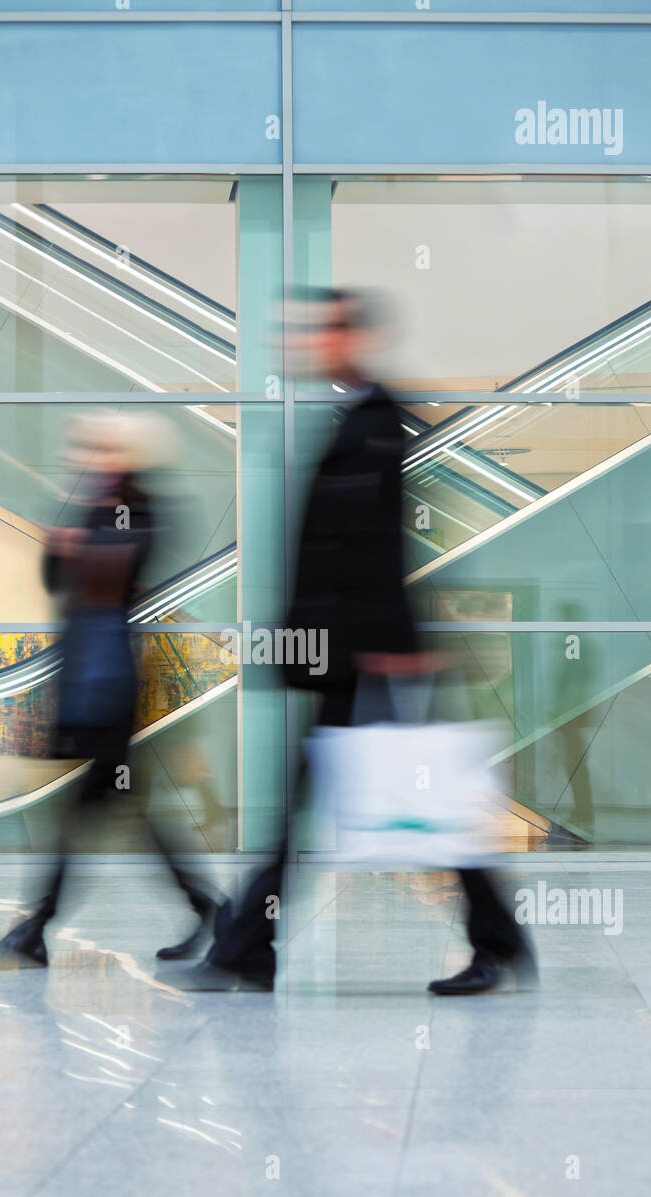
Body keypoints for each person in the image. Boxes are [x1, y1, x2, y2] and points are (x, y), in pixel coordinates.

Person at [158, 288, 536, 995]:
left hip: (368, 654)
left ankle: (250, 946)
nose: (310, 345)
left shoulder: (376, 422)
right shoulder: (357, 421)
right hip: (348, 653)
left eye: (322, 333)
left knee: (417, 802)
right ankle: (252, 945)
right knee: (391, 802)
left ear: (352, 340)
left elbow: (378, 545)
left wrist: (390, 643)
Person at [0, 411, 227, 968]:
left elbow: (115, 569)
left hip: (109, 679)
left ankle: (36, 929)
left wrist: (75, 546)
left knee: (89, 811)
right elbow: (55, 578)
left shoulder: (142, 501)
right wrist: (69, 545)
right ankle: (210, 909)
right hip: (89, 673)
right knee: (125, 810)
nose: (88, 453)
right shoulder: (90, 503)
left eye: (101, 445)